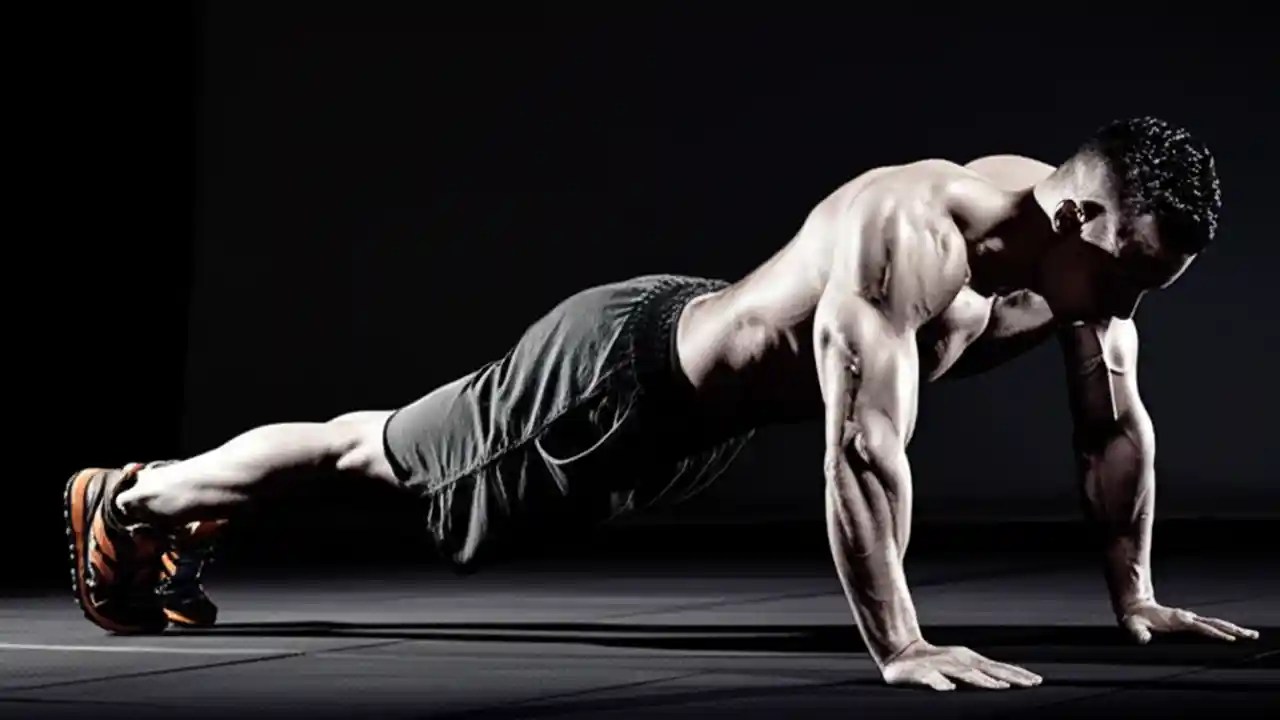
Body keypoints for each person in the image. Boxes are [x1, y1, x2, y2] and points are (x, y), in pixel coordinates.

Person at [65, 116, 1258, 691]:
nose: (1129, 304)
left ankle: (171, 505)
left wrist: (1137, 598)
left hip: (696, 409)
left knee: (396, 474)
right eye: (1130, 273)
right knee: (369, 457)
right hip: (613, 385)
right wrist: (898, 646)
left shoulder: (1081, 264)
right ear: (1072, 218)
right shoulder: (912, 234)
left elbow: (1110, 426)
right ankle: (133, 501)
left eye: (1154, 282)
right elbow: (863, 447)